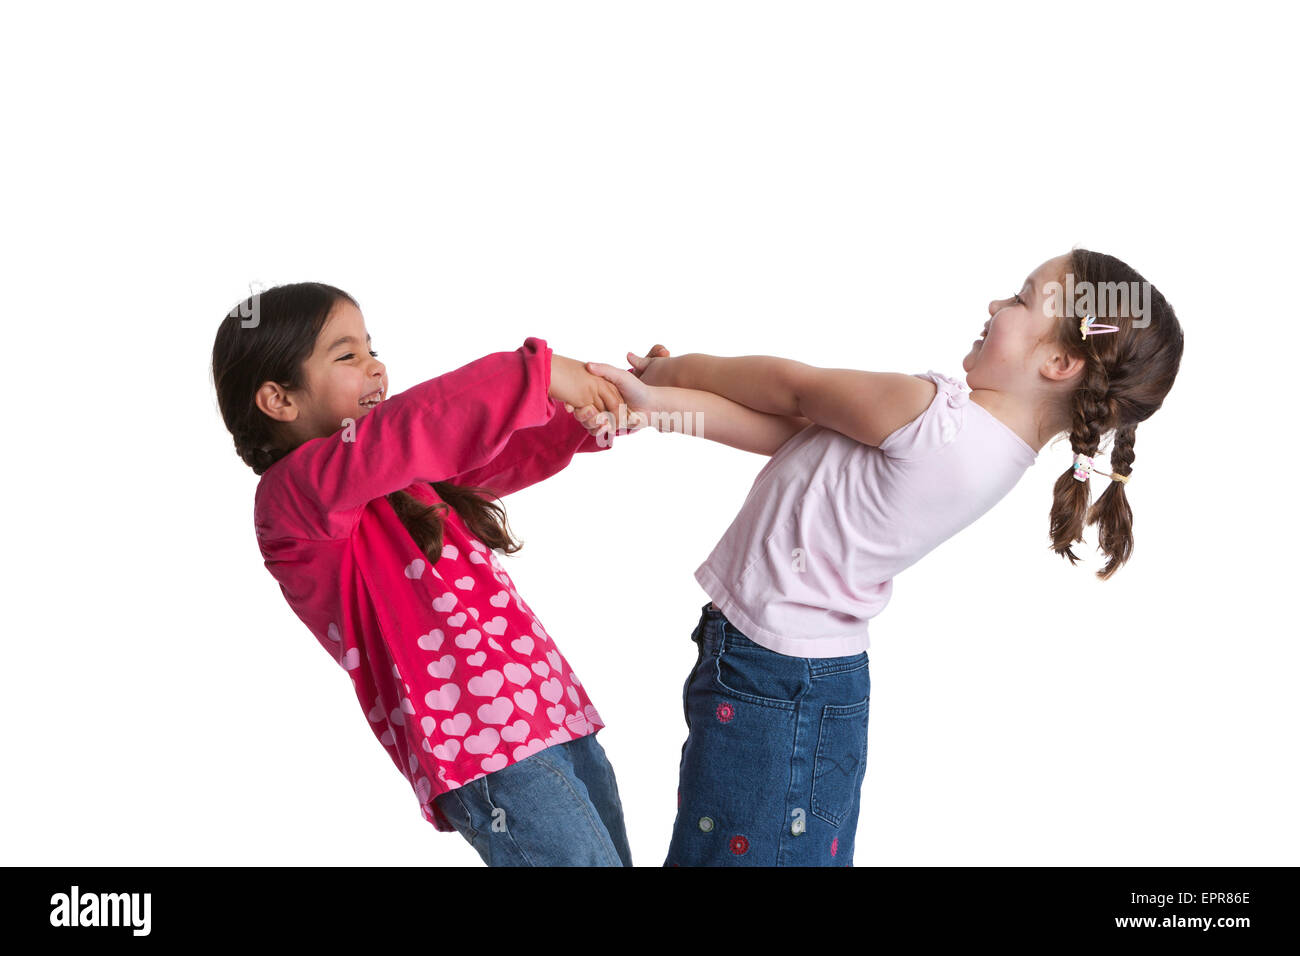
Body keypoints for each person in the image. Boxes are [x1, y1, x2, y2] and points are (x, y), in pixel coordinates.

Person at [580, 248, 1185, 866]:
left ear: (1059, 361)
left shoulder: (931, 416)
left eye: (1022, 299)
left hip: (773, 675)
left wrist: (673, 370)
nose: (995, 305)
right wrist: (662, 409)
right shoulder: (988, 451)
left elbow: (793, 388)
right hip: (813, 678)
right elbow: (802, 442)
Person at [211, 282, 647, 865]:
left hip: (551, 716)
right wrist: (535, 374)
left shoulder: (406, 480)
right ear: (278, 400)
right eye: (347, 356)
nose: (376, 367)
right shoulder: (293, 502)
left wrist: (603, 409)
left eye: (372, 348)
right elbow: (412, 428)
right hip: (487, 748)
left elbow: (497, 449)